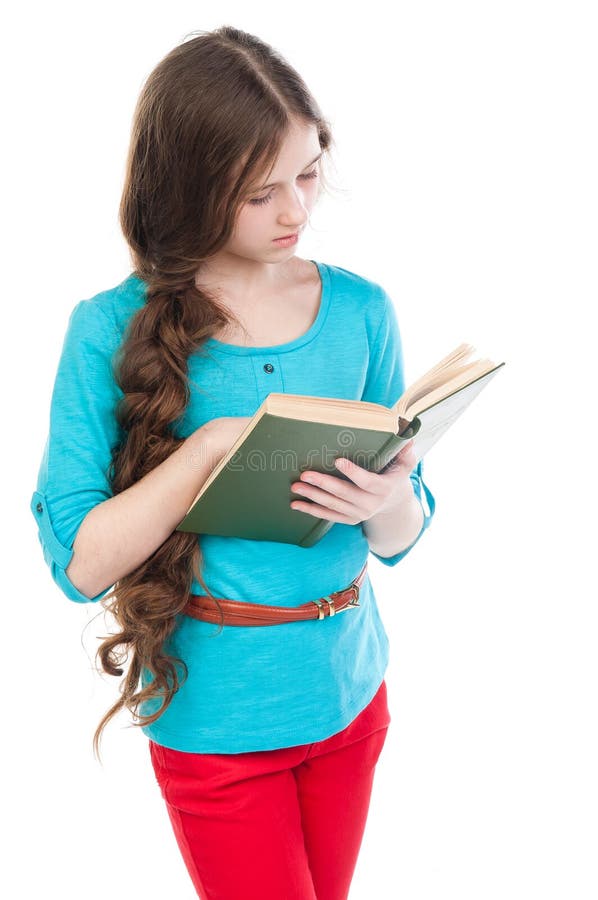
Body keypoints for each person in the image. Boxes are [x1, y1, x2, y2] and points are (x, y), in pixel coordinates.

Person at [29, 25, 435, 900]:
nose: (297, 210)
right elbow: (78, 562)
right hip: (217, 719)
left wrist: (387, 499)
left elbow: (404, 534)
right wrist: (211, 448)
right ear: (191, 190)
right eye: (261, 192)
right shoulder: (106, 328)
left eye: (308, 171)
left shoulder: (362, 311)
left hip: (351, 694)